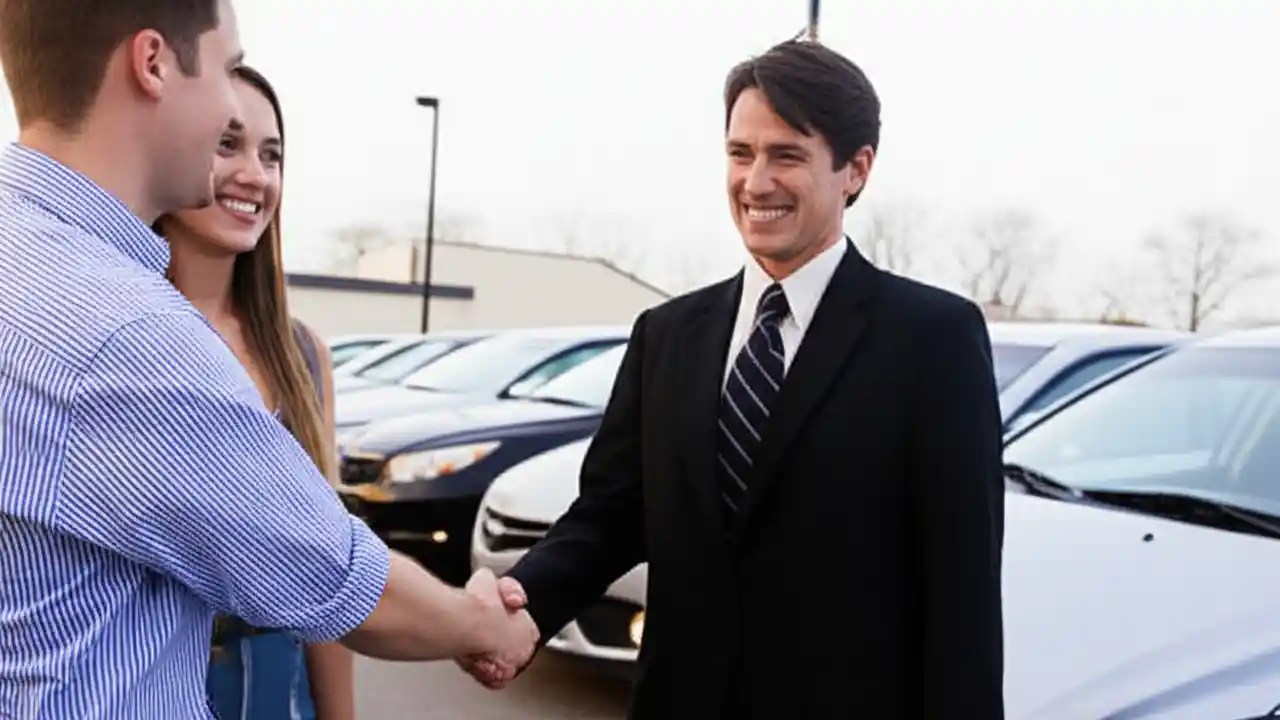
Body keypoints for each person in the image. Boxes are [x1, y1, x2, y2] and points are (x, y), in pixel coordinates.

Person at [0, 2, 536, 718]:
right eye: (226, 69)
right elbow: (333, 574)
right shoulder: (130, 333)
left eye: (271, 151)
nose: (230, 109)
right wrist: (481, 622)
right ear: (152, 63)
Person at [461, 39, 1006, 718]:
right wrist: (525, 608)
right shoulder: (667, 334)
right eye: (740, 153)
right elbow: (611, 515)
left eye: (786, 155)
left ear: (856, 170)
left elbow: (962, 593)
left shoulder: (933, 339)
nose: (755, 182)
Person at [153, 65, 352, 720]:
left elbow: (332, 568)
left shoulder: (303, 356)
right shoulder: (119, 338)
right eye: (227, 144)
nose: (256, 175)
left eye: (272, 155)